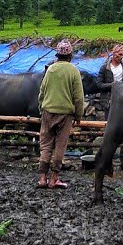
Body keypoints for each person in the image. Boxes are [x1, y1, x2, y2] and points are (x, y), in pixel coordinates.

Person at [36, 39, 84, 189]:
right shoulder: (73, 71)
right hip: (65, 114)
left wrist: (41, 108)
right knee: (60, 146)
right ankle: (54, 178)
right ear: (70, 56)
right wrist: (78, 115)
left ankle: (42, 178)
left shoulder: (50, 69)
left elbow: (42, 92)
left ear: (57, 55)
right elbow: (78, 97)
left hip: (48, 111)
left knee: (45, 144)